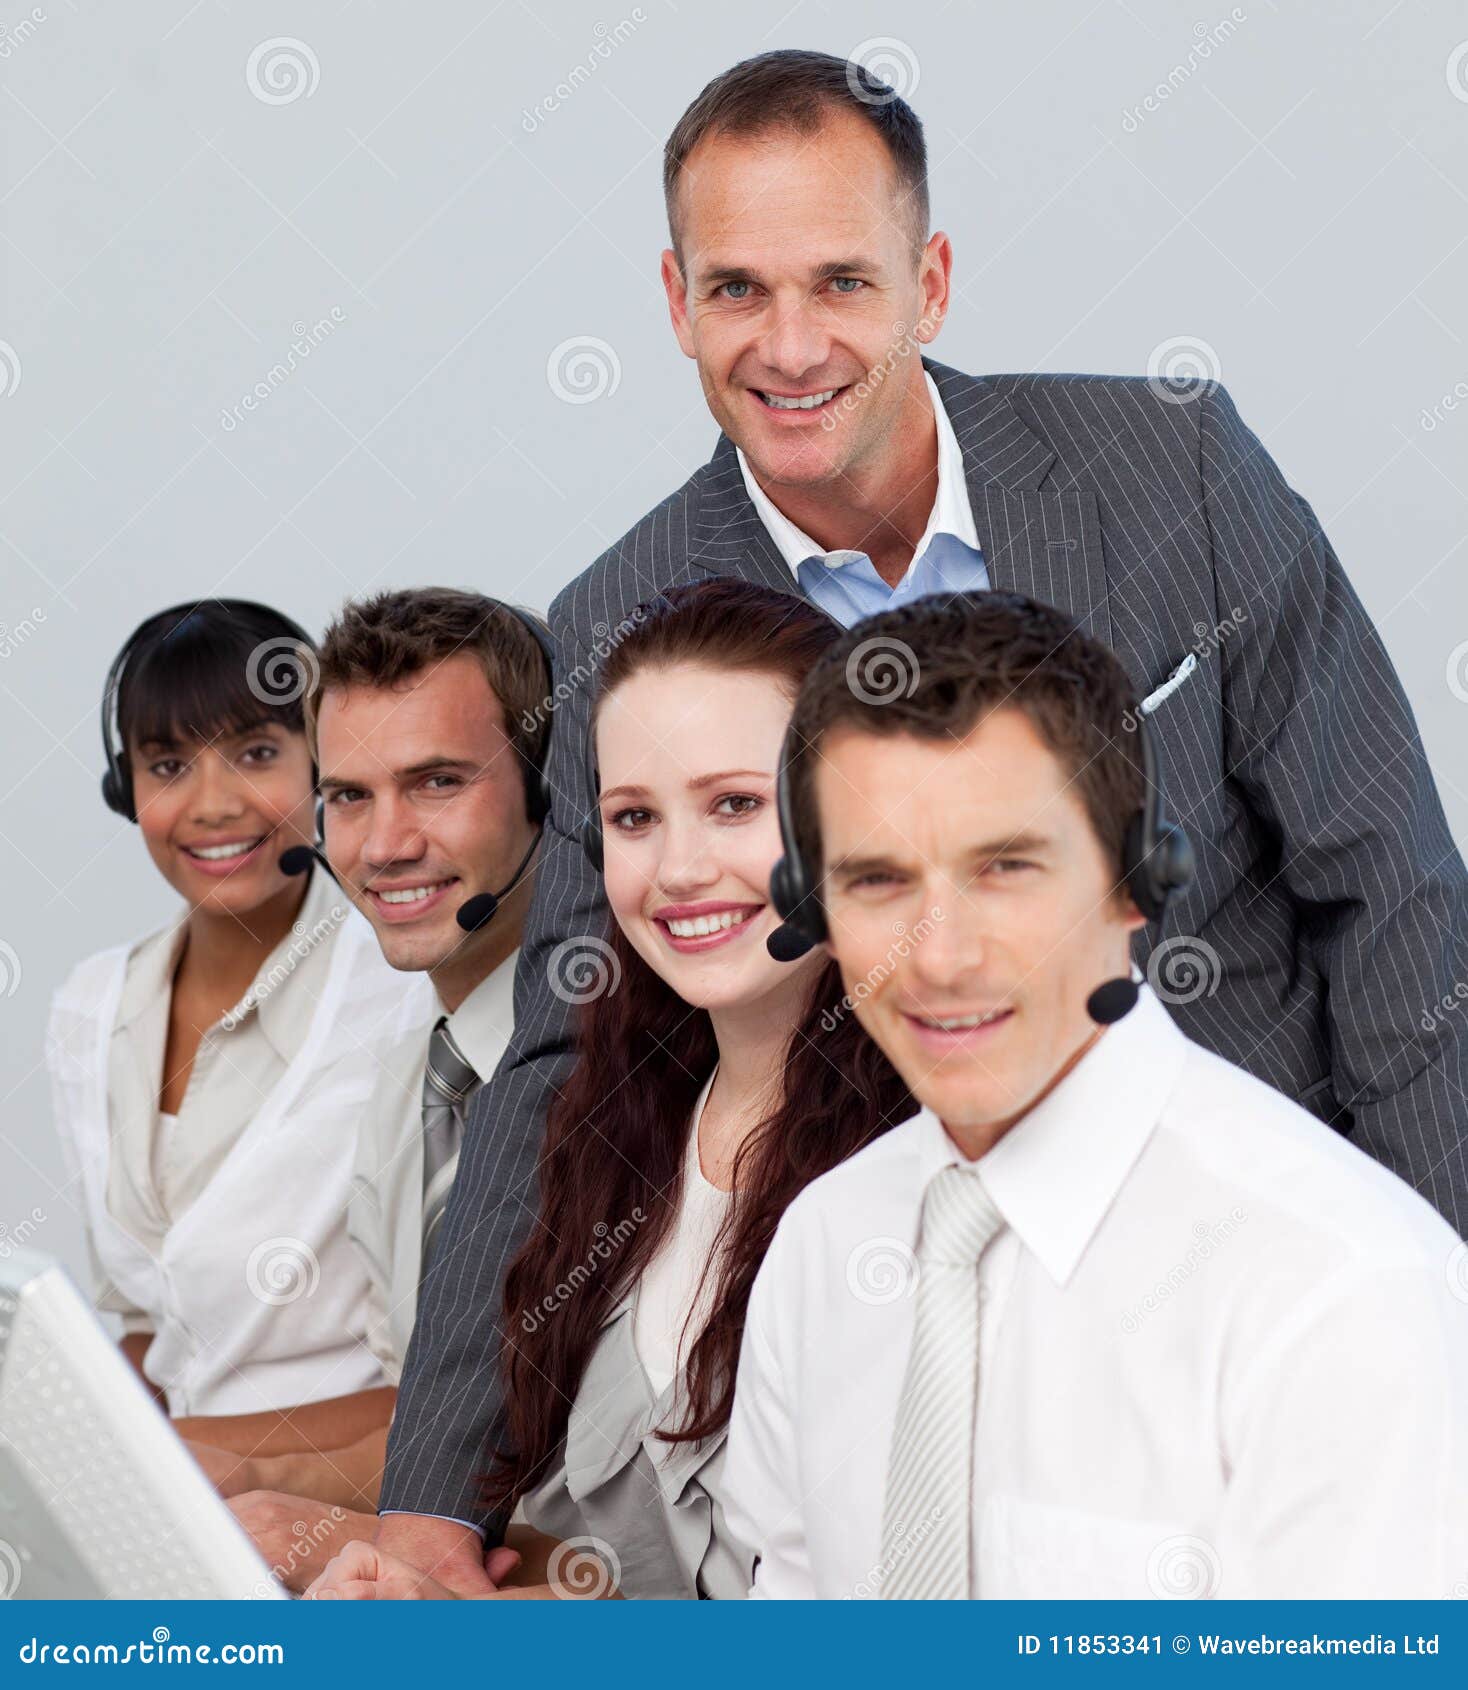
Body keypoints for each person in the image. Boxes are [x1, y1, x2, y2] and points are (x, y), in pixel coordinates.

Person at [376, 47, 1468, 1582]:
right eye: (740, 290)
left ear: (932, 281)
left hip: (1231, 1254)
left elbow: (1396, 894)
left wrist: (1432, 1307)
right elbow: (564, 1044)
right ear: (677, 305)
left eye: (842, 281)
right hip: (889, 1286)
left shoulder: (1178, 476)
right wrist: (436, 1501)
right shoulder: (619, 622)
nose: (794, 342)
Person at [719, 592, 1468, 1599]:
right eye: (878, 881)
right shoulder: (822, 1247)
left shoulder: (1342, 1292)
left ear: (1136, 881)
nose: (938, 958)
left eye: (1006, 868)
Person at [306, 580, 916, 1599]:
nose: (677, 867)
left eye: (733, 804)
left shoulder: (909, 1170)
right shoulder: (609, 1126)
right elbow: (591, 1545)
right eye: (634, 816)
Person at [45, 599, 431, 1462]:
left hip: (352, 1521)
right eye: (168, 764)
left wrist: (174, 1455)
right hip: (183, 1501)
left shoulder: (403, 995)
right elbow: (154, 1336)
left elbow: (443, 1391)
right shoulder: (90, 1008)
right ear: (127, 791)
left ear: (324, 769)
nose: (212, 805)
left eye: (256, 754)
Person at [223, 589, 551, 1591]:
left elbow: (631, 1514)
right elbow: (433, 1413)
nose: (382, 845)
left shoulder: (630, 1084)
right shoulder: (413, 1078)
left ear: (555, 785)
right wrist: (252, 1479)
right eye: (351, 795)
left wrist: (326, 1532)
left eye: (438, 781)